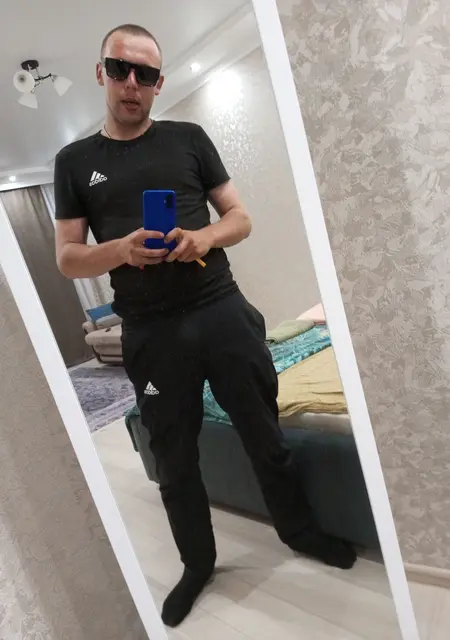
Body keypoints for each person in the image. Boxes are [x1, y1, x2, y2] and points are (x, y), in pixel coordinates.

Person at [54, 23, 356, 628]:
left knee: (264, 433)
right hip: (150, 331)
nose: (132, 83)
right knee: (173, 459)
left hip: (221, 311)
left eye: (145, 74)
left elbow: (240, 217)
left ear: (159, 83)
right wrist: (120, 251)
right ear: (101, 72)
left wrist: (204, 237)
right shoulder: (74, 162)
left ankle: (298, 531)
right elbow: (67, 257)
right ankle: (198, 565)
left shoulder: (189, 138)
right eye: (121, 69)